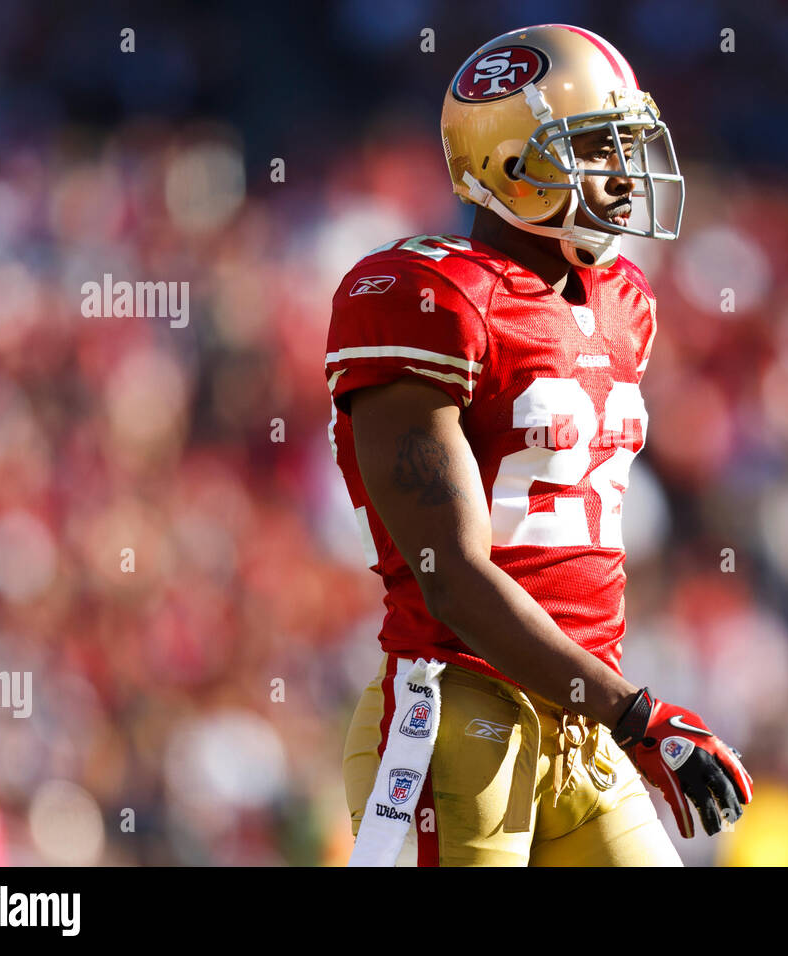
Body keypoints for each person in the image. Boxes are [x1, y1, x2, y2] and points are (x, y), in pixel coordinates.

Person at [326, 23, 751, 867]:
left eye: (628, 146)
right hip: (455, 707)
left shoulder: (623, 301)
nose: (625, 177)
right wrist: (633, 712)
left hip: (583, 721)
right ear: (513, 167)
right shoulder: (427, 298)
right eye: (596, 148)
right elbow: (452, 577)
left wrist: (611, 712)